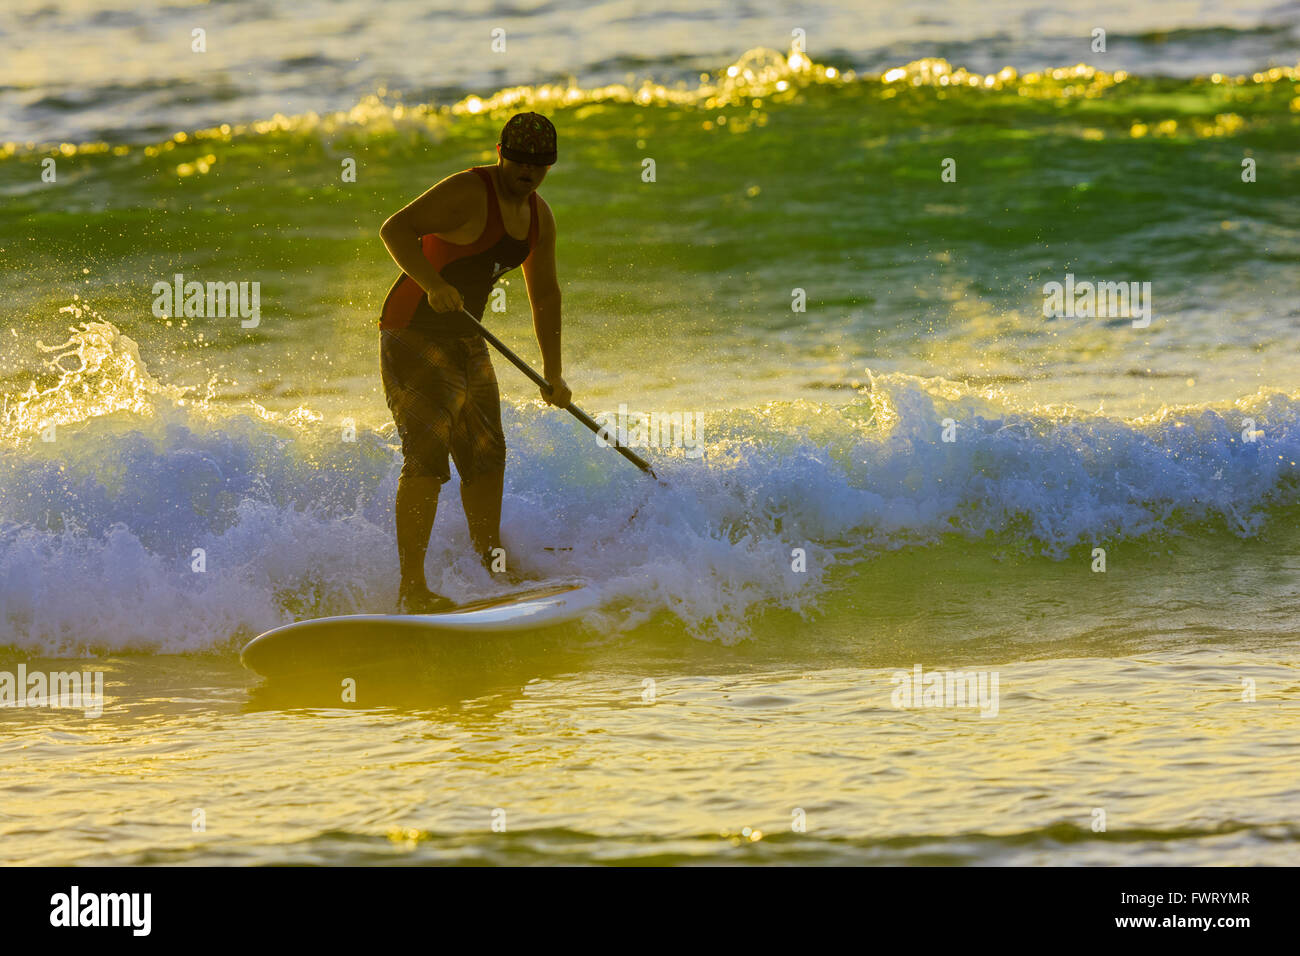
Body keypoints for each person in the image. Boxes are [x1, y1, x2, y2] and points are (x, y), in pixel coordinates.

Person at [378, 112, 571, 612]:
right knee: (427, 457)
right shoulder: (468, 191)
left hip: (466, 335)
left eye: (539, 164)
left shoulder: (538, 217)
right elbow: (395, 229)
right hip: (413, 331)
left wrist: (553, 374)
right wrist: (433, 284)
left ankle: (494, 566)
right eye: (520, 160)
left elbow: (545, 295)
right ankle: (411, 590)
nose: (528, 171)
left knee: (487, 453)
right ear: (501, 153)